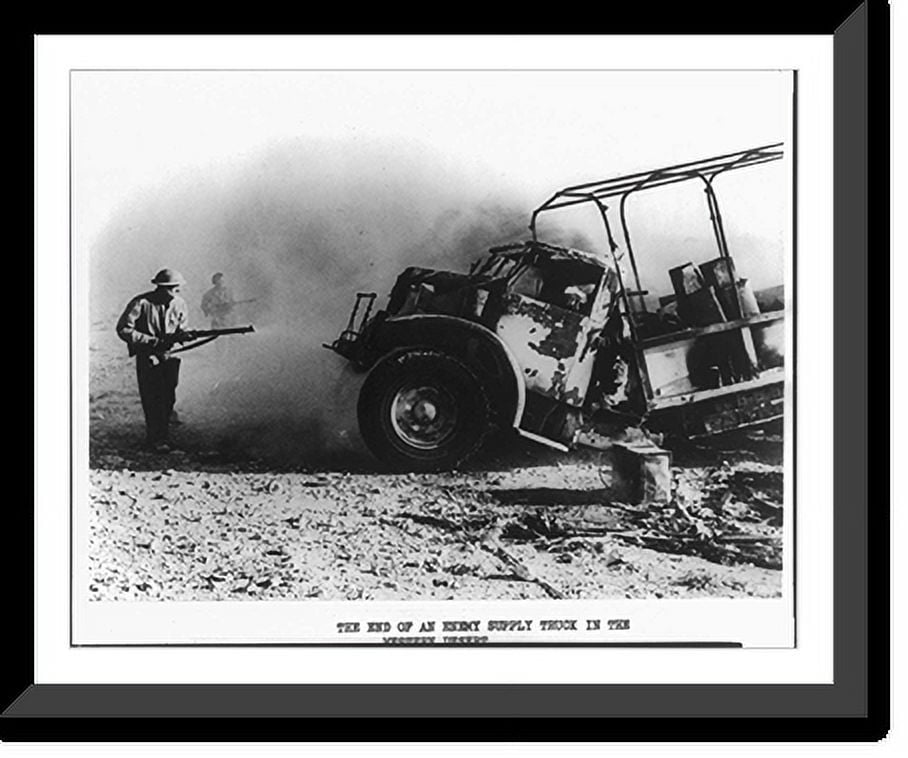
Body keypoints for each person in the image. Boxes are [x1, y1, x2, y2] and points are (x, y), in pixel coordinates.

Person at [115, 268, 191, 453]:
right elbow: (124, 329)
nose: (176, 292)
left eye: (177, 288)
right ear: (161, 287)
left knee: (169, 398)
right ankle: (155, 439)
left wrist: (184, 335)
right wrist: (151, 341)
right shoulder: (141, 303)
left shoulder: (180, 304)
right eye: (173, 288)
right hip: (148, 358)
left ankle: (162, 436)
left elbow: (181, 328)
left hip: (170, 358)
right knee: (152, 398)